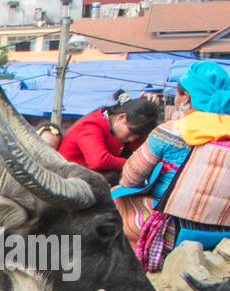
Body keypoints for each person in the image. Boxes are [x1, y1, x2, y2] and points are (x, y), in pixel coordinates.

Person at [113, 61, 230, 269]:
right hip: (224, 234)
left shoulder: (172, 131)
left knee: (113, 200)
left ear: (186, 97)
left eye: (177, 92)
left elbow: (131, 178)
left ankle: (130, 265)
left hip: (171, 232)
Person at [58, 97, 160, 181]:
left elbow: (148, 148)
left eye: (138, 135)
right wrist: (132, 164)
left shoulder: (123, 131)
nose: (133, 138)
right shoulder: (91, 125)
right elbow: (98, 161)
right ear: (121, 117)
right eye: (132, 132)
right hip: (68, 180)